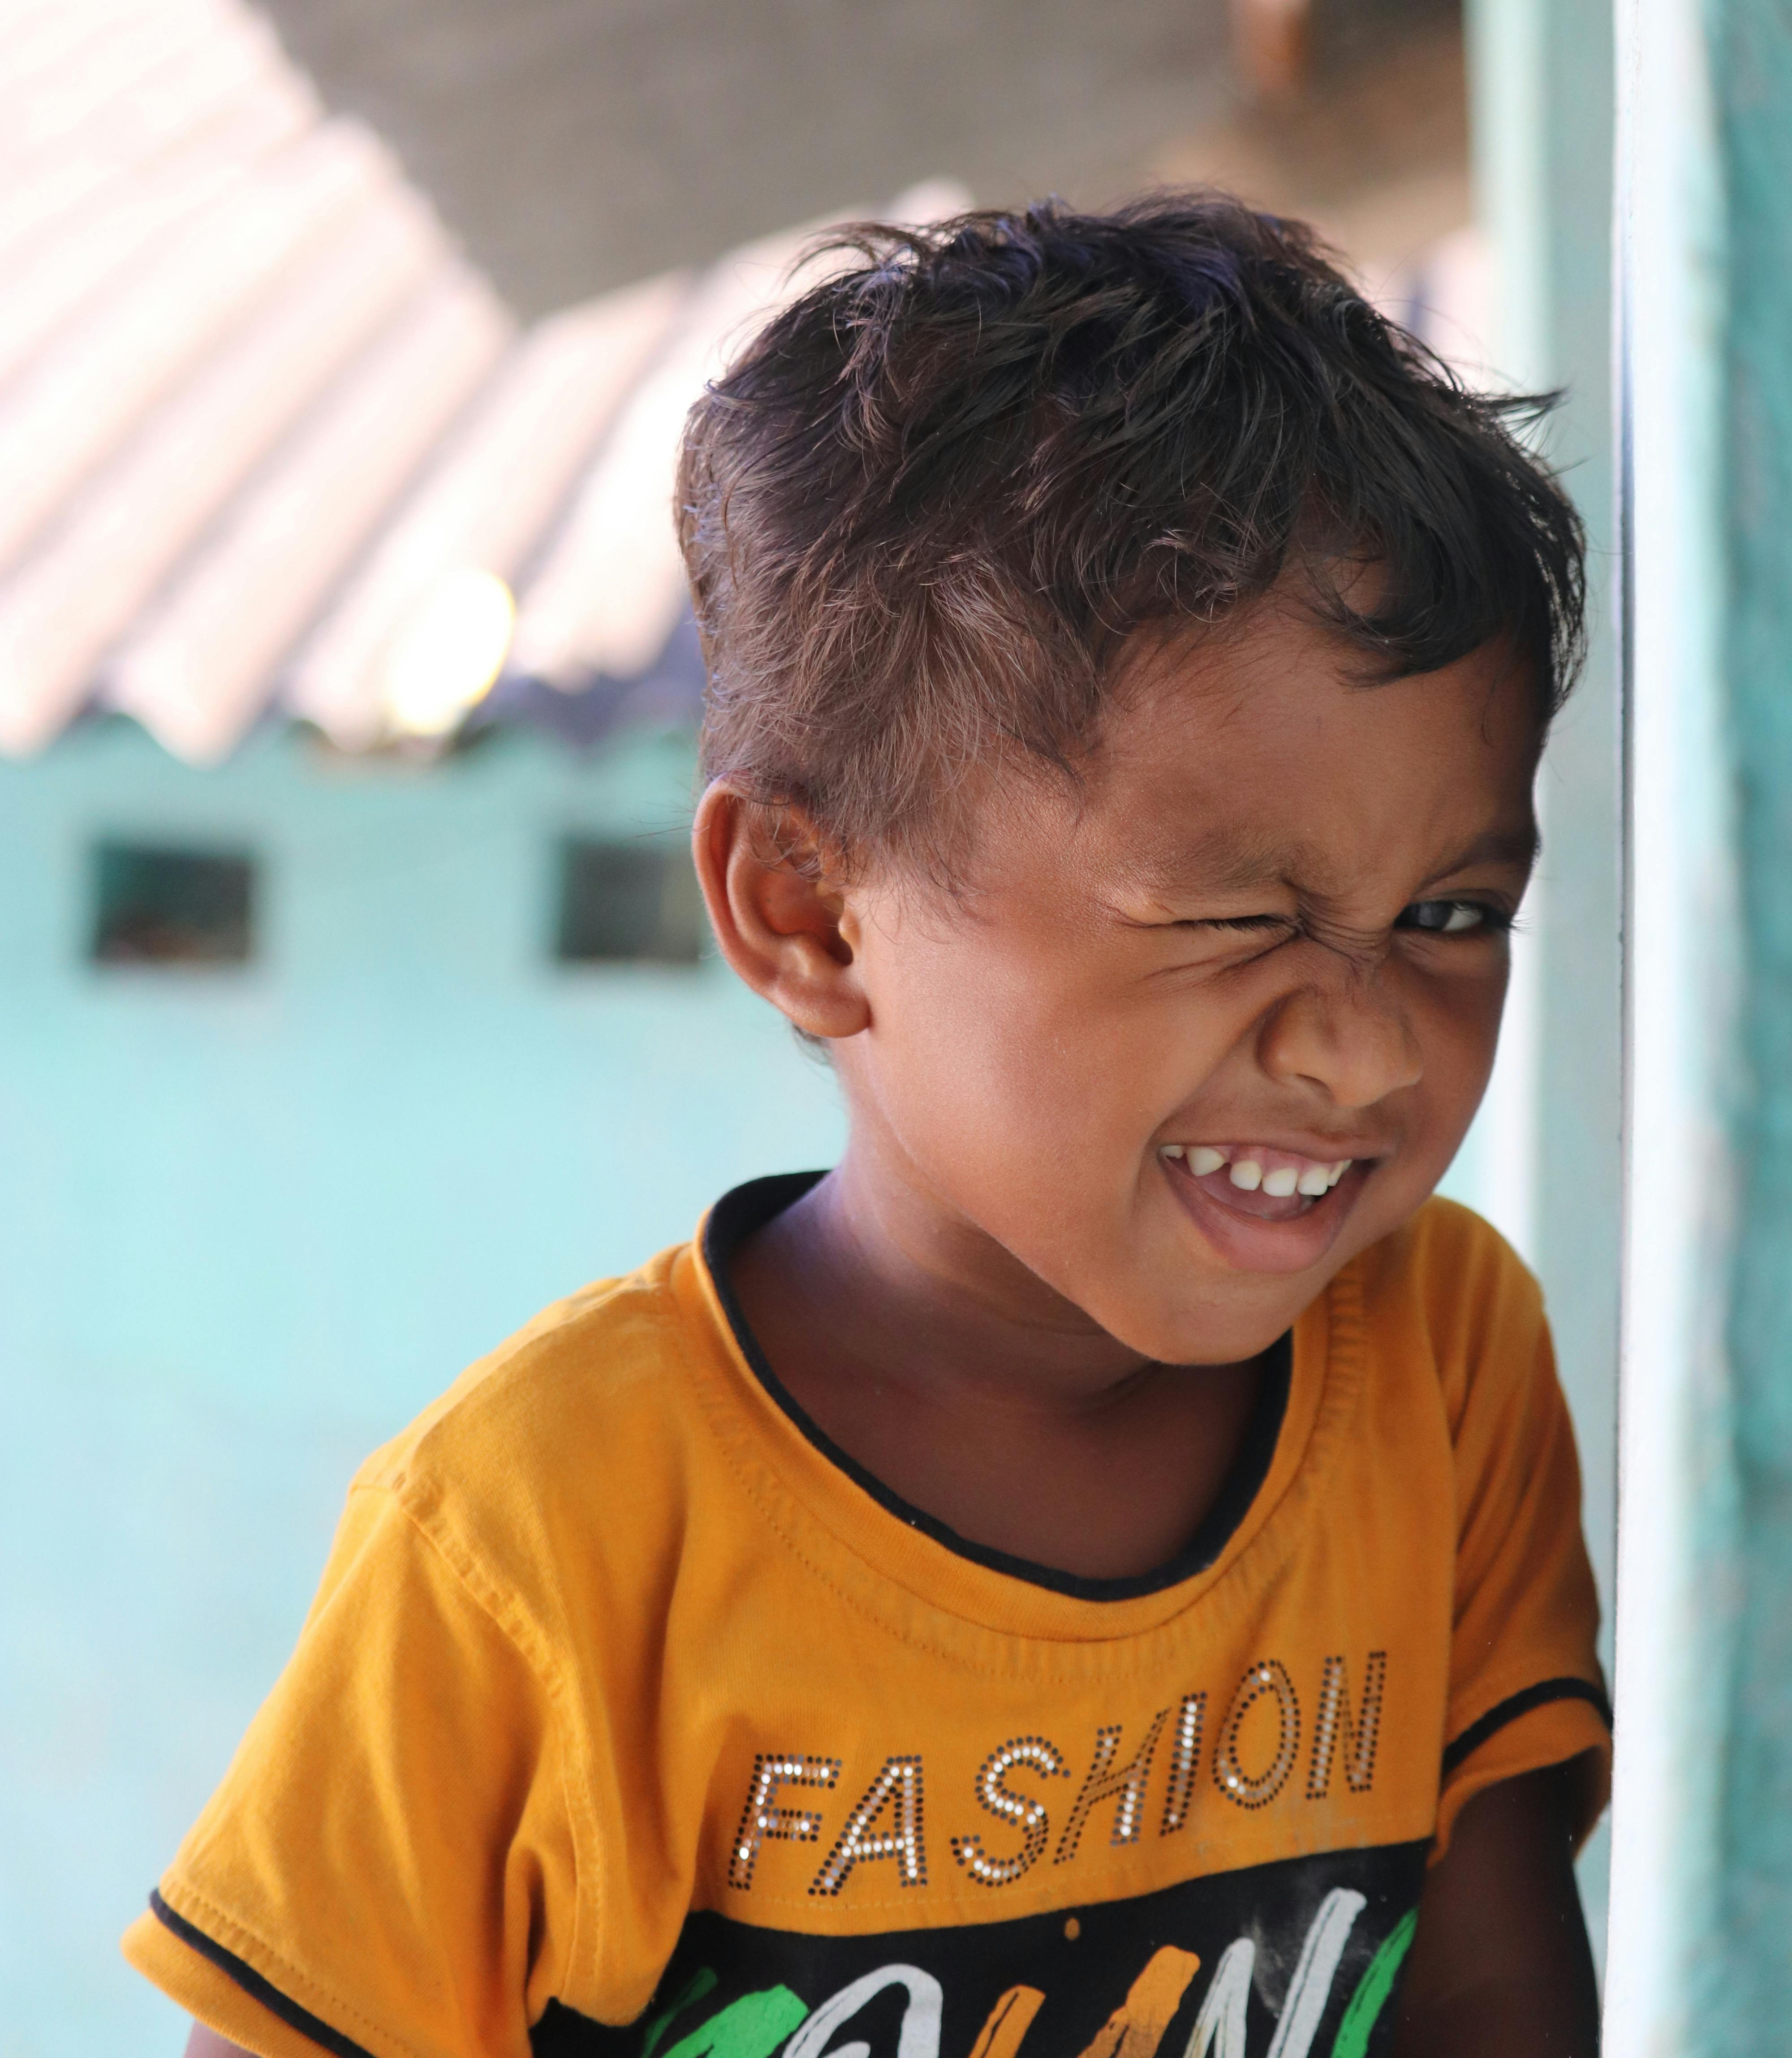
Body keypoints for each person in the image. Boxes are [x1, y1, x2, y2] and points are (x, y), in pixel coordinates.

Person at [126, 199, 1610, 2058]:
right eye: (1240, 917)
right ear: (811, 914)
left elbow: (1485, 1989)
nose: (1363, 1047)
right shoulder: (535, 1538)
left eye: (1451, 917)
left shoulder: (1438, 1362)